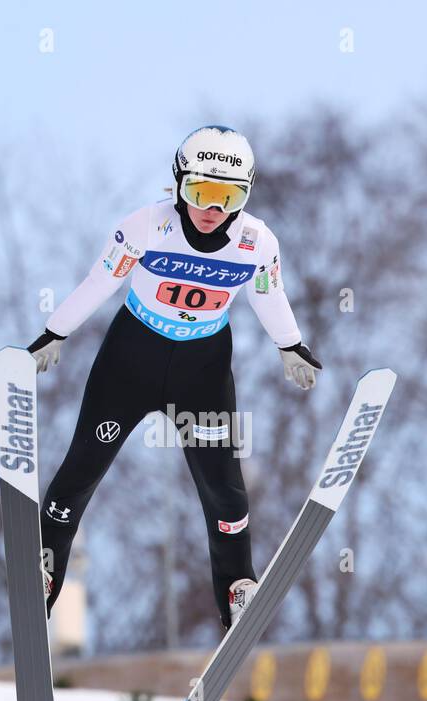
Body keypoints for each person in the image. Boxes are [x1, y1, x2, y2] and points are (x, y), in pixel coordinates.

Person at [26, 126, 323, 634]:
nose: (213, 208)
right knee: (82, 469)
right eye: (200, 192)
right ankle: (47, 565)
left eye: (229, 196)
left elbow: (270, 295)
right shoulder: (145, 226)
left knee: (225, 490)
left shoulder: (256, 241)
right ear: (178, 184)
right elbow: (102, 280)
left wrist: (290, 345)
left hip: (202, 372)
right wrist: (55, 332)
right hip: (130, 362)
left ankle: (236, 587)